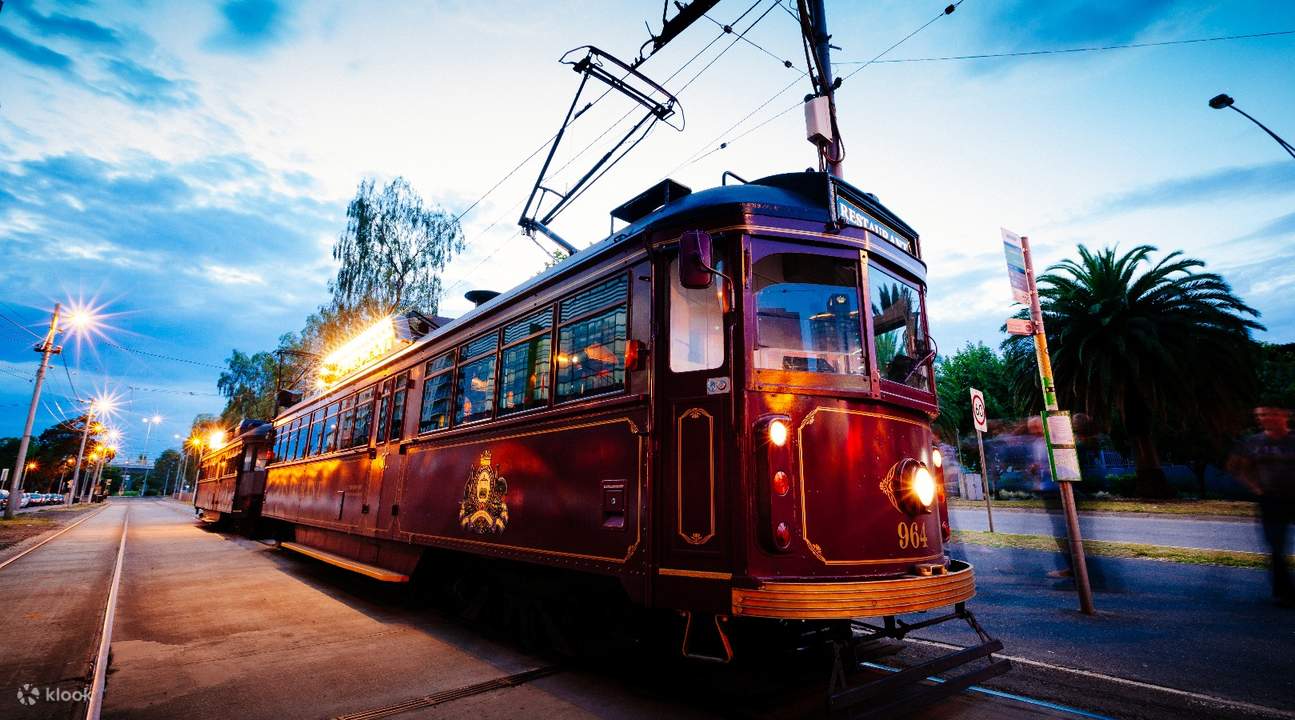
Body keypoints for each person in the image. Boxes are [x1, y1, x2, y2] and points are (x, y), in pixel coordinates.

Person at [1229, 407, 1295, 607]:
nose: (1265, 418)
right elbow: (1235, 466)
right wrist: (1254, 487)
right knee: (1275, 545)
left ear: (1285, 415)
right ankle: (1284, 593)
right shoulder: (1253, 443)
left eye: (1271, 414)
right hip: (1271, 499)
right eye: (1261, 415)